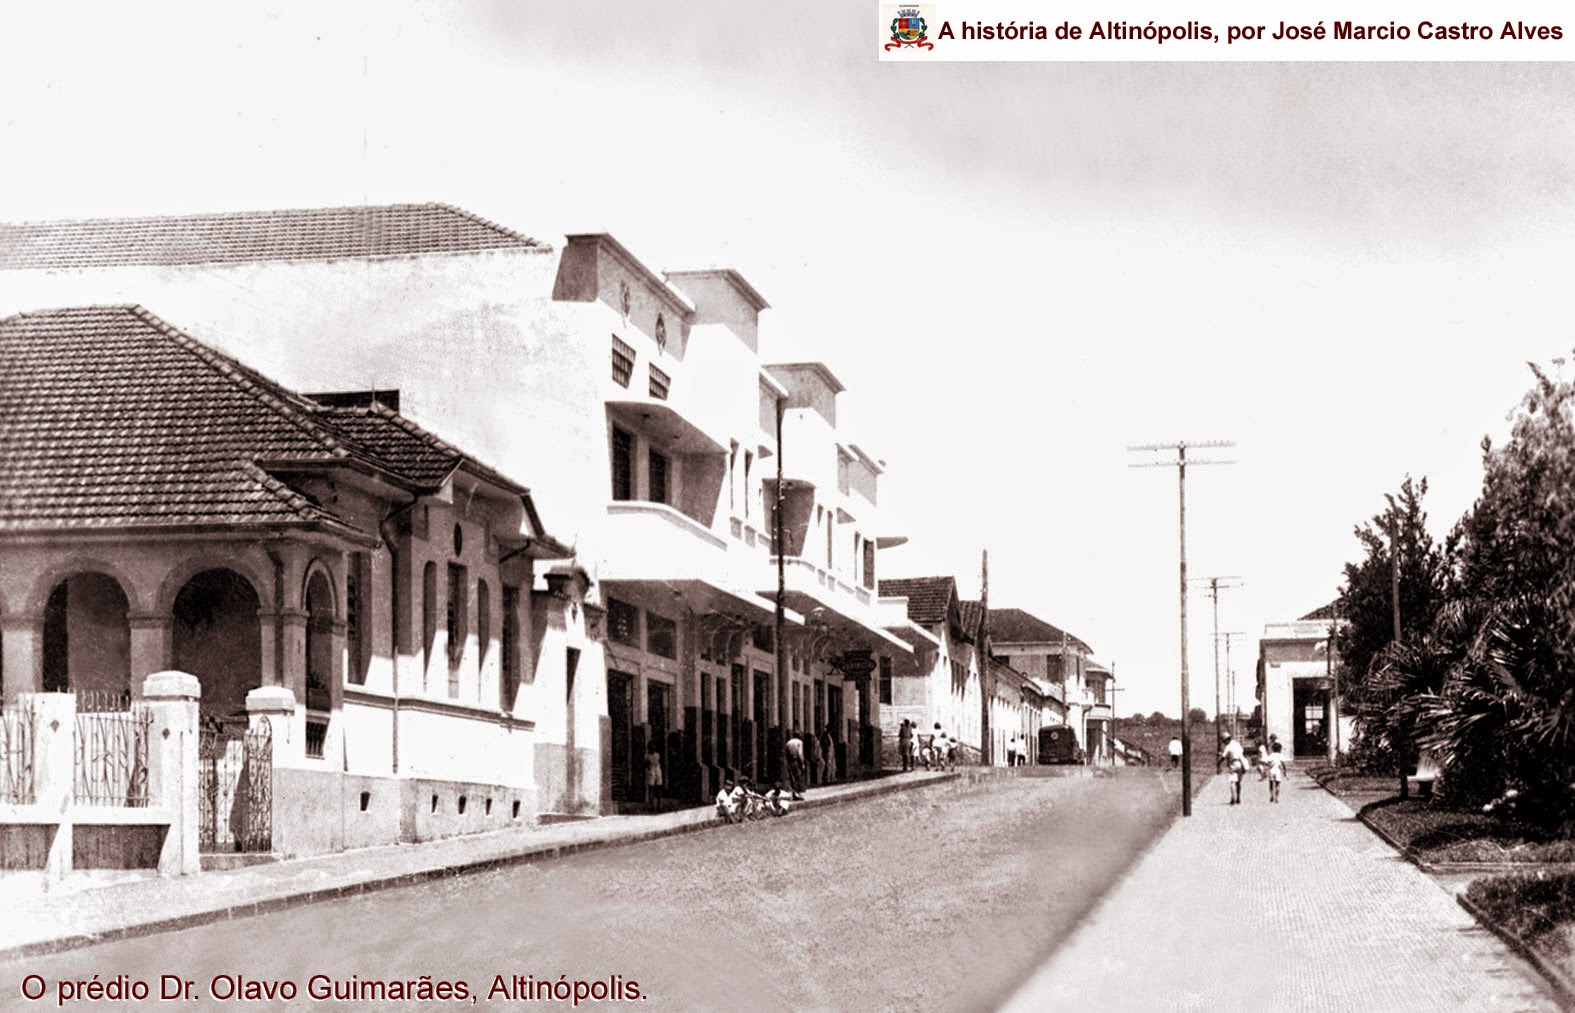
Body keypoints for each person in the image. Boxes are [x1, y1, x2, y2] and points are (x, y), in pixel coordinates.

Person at [1220, 733, 1245, 804]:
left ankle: (1233, 796)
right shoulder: (1237, 744)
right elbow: (1242, 751)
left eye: (1224, 741)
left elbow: (1223, 756)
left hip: (1233, 764)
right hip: (1240, 763)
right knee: (1238, 782)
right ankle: (1238, 797)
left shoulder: (1228, 747)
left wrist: (1219, 762)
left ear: (1226, 740)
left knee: (1232, 781)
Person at [783, 731, 807, 800]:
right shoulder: (799, 742)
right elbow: (800, 753)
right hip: (796, 760)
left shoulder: (788, 743)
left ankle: (794, 793)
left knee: (792, 778)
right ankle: (798, 794)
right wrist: (802, 763)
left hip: (790, 761)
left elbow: (786, 753)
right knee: (798, 777)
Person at [645, 741, 664, 810]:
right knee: (651, 788)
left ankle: (659, 805)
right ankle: (652, 806)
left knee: (659, 788)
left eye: (654, 747)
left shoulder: (657, 755)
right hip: (651, 771)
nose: (653, 748)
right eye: (651, 747)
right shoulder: (647, 756)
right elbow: (646, 765)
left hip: (658, 770)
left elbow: (660, 762)